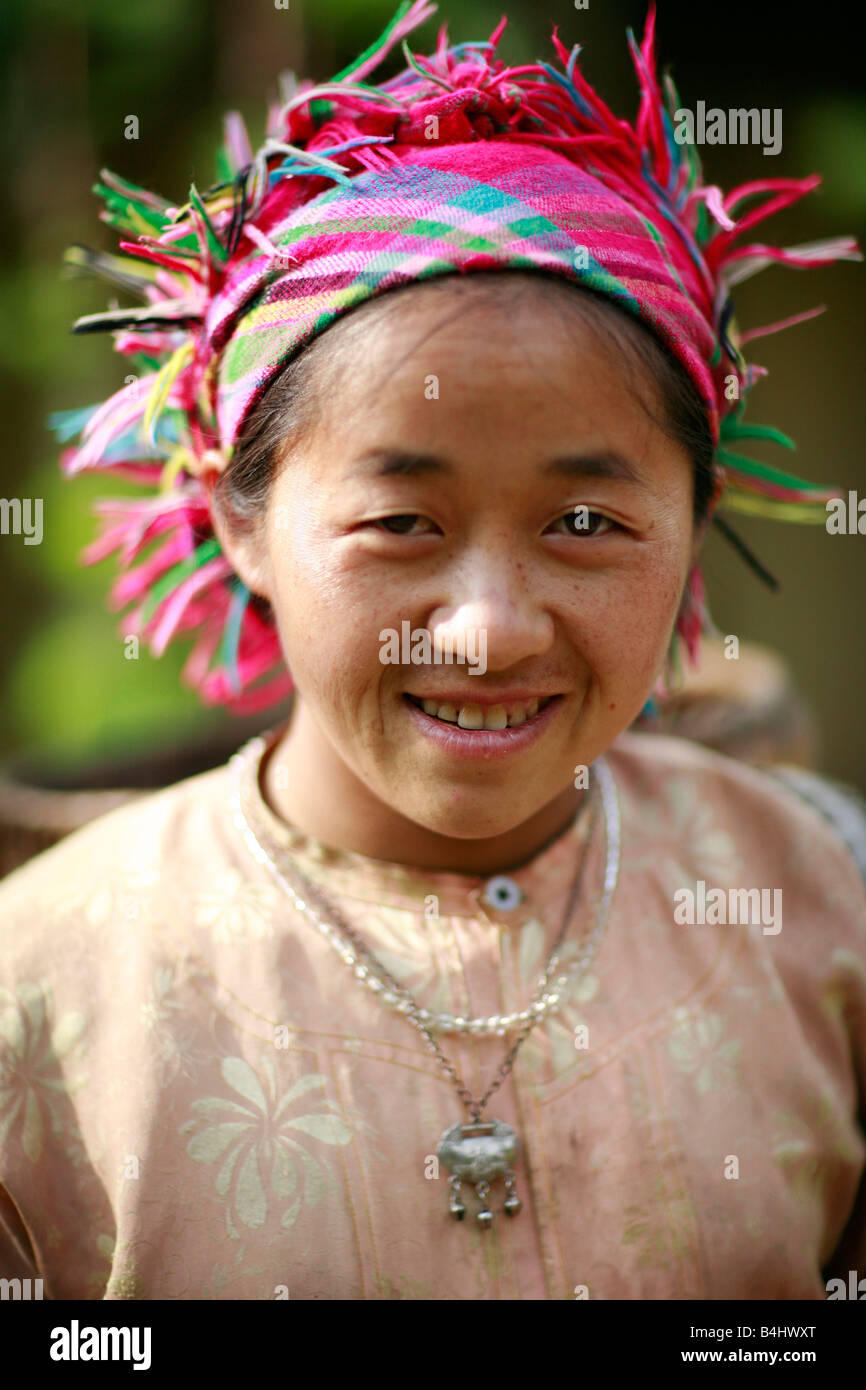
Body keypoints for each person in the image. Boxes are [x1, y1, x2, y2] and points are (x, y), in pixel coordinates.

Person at [1, 1, 863, 1301]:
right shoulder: (39, 995)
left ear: (696, 518)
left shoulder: (827, 913)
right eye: (401, 520)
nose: (491, 626)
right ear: (241, 517)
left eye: (586, 521)